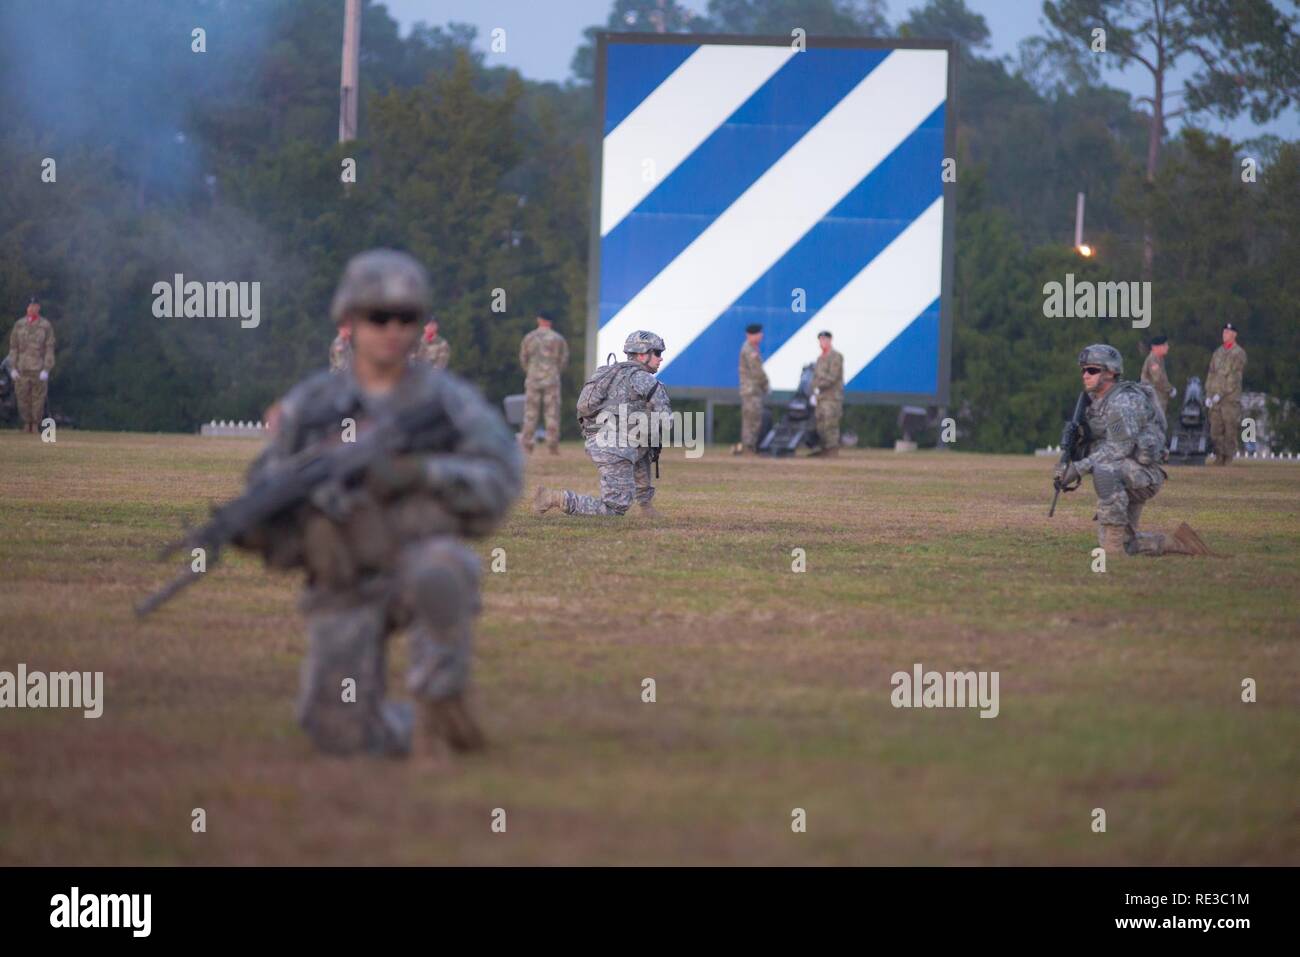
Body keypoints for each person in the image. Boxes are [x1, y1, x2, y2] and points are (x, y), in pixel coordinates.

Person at [234, 249, 522, 757]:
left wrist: (422, 473)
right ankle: (408, 731)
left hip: (417, 559)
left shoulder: (447, 401)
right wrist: (257, 526)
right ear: (349, 321)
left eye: (406, 318)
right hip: (344, 578)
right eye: (378, 317)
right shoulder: (314, 403)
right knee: (341, 735)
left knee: (442, 569)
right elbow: (267, 484)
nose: (393, 329)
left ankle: (440, 698)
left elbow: (501, 478)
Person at [1053, 344, 1211, 558]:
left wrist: (1077, 469)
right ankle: (1177, 543)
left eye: (1091, 370)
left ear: (1110, 372)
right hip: (1127, 471)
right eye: (1083, 370)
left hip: (1144, 475)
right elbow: (1101, 444)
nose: (1085, 375)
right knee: (1126, 541)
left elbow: (1119, 448)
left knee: (1105, 470)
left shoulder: (1122, 403)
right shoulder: (1098, 403)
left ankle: (1113, 552)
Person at [534, 330, 670, 518]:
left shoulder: (607, 372)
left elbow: (584, 406)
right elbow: (665, 419)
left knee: (644, 446)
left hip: (597, 440)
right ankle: (556, 498)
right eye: (657, 353)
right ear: (641, 354)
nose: (660, 358)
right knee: (615, 508)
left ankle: (646, 507)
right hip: (616, 447)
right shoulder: (645, 380)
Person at [518, 312, 569, 455]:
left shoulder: (529, 337)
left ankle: (527, 446)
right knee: (552, 413)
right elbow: (563, 360)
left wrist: (530, 371)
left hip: (533, 378)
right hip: (551, 378)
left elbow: (523, 358)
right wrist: (555, 372)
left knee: (530, 413)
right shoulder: (558, 339)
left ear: (539, 320)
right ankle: (552, 446)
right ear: (550, 322)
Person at [7, 297, 55, 433]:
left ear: (38, 308)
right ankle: (26, 423)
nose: (32, 308)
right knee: (22, 397)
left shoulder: (45, 326)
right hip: (22, 368)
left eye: (34, 306)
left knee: (38, 398)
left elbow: (49, 347)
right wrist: (12, 367)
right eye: (30, 306)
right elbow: (13, 347)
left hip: (38, 367)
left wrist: (47, 368)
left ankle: (35, 424)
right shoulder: (19, 325)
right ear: (27, 308)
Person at [1204, 322, 1247, 466]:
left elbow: (1233, 377)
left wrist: (1220, 394)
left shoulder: (1238, 353)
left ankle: (1228, 458)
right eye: (1224, 332)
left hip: (1229, 398)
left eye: (1228, 333)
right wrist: (1209, 394)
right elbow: (1211, 373)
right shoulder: (1218, 352)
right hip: (1215, 398)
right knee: (1215, 429)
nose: (1225, 335)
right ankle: (1219, 456)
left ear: (1234, 335)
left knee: (1230, 429)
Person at [735, 323, 769, 455]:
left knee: (753, 418)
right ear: (751, 335)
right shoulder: (749, 350)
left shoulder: (751, 348)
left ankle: (749, 447)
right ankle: (748, 448)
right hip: (751, 390)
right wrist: (765, 384)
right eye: (759, 333)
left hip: (752, 390)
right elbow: (757, 371)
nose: (761, 335)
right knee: (752, 419)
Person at [810, 331, 843, 456]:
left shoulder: (836, 356)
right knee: (821, 424)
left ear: (830, 340)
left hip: (832, 397)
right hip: (821, 398)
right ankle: (824, 449)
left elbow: (833, 377)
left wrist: (819, 385)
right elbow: (815, 377)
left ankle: (832, 450)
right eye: (821, 340)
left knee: (830, 423)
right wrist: (814, 390)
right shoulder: (820, 358)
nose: (822, 342)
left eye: (825, 339)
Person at [1139, 335, 1175, 418]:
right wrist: (1170, 389)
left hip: (1158, 398)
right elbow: (1158, 379)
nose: (1168, 347)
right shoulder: (1153, 360)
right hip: (1155, 399)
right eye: (1165, 345)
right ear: (1157, 347)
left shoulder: (1159, 359)